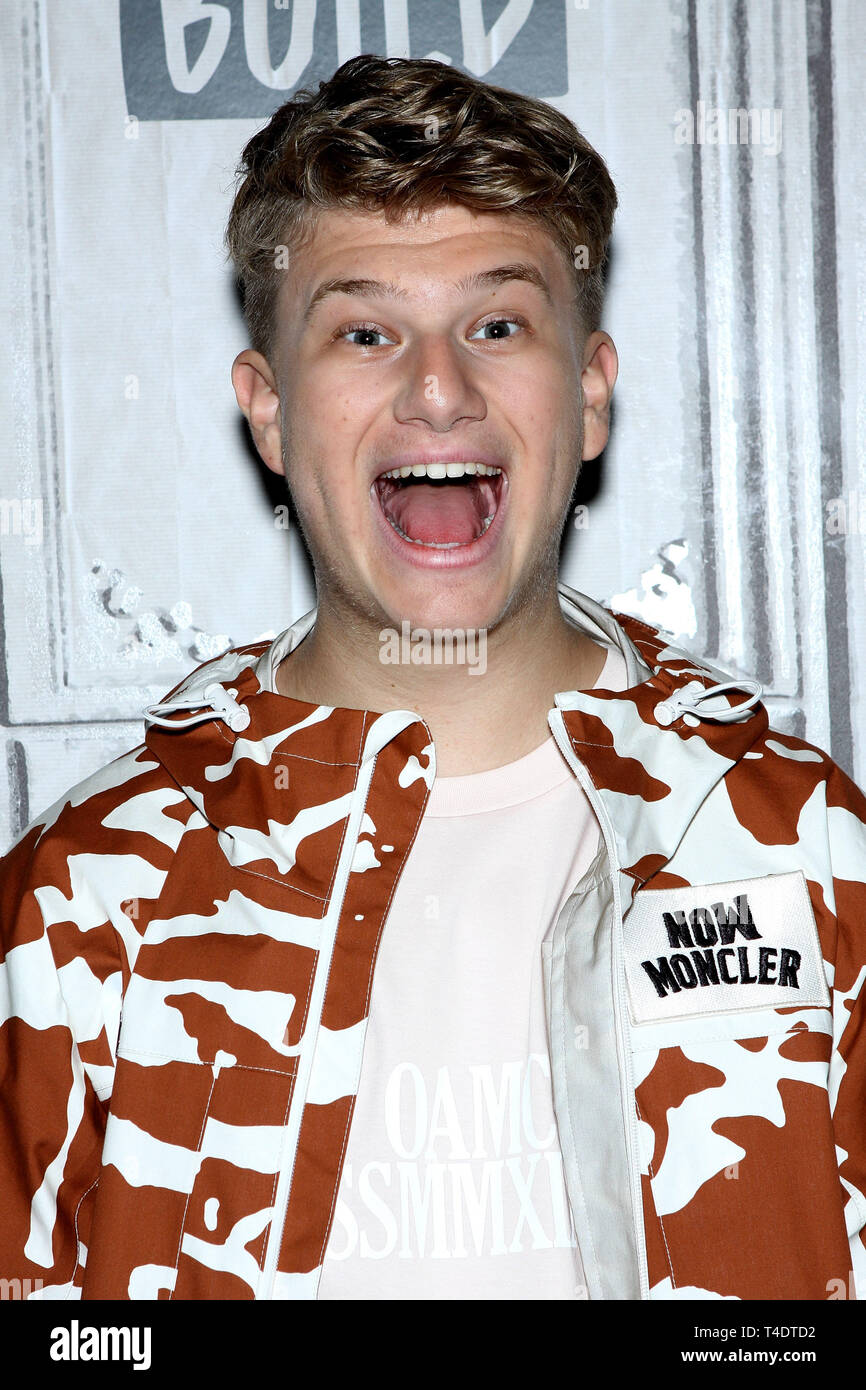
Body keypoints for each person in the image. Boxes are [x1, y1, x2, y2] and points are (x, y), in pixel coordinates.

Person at [1, 53, 864, 1303]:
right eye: (362, 330)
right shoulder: (84, 896)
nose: (436, 387)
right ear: (270, 415)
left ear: (587, 392)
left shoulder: (807, 853)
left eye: (496, 324)